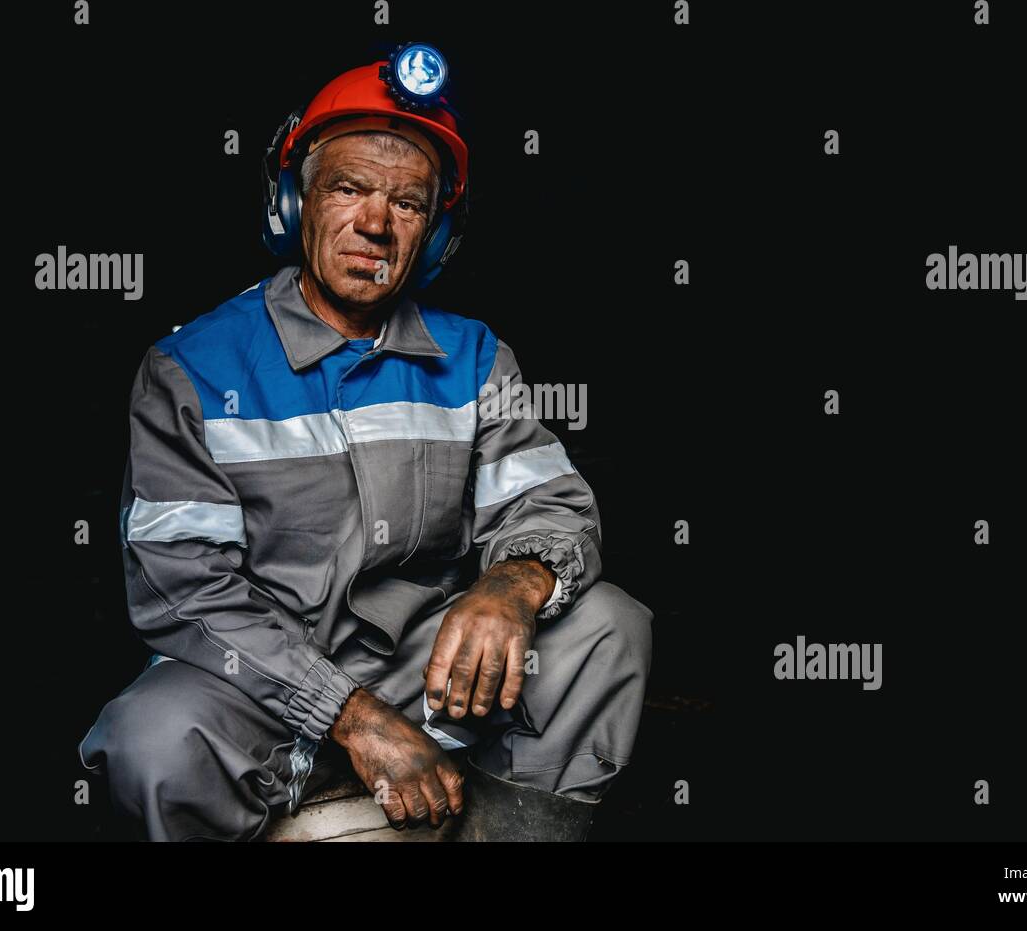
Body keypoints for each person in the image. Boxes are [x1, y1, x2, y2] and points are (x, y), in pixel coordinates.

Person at [78, 50, 653, 841]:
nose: (376, 224)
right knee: (152, 738)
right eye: (348, 188)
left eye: (408, 203)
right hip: (261, 688)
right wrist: (350, 714)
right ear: (294, 201)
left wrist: (514, 582)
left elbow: (550, 502)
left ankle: (507, 831)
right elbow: (185, 590)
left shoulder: (476, 357)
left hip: (434, 677)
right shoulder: (192, 368)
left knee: (607, 625)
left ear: (437, 232)